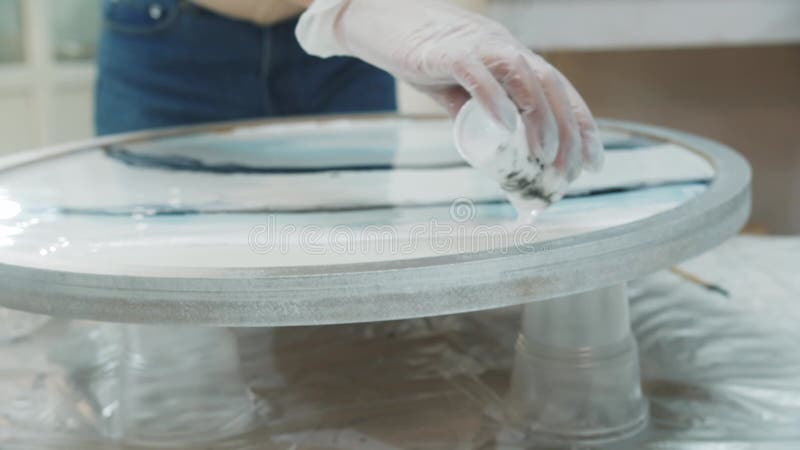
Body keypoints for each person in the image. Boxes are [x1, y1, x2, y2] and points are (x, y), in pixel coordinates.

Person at [96, 0, 603, 183]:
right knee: (171, 290)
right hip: (171, 43)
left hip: (341, 54)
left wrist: (456, 28)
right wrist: (351, 10)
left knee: (342, 266)